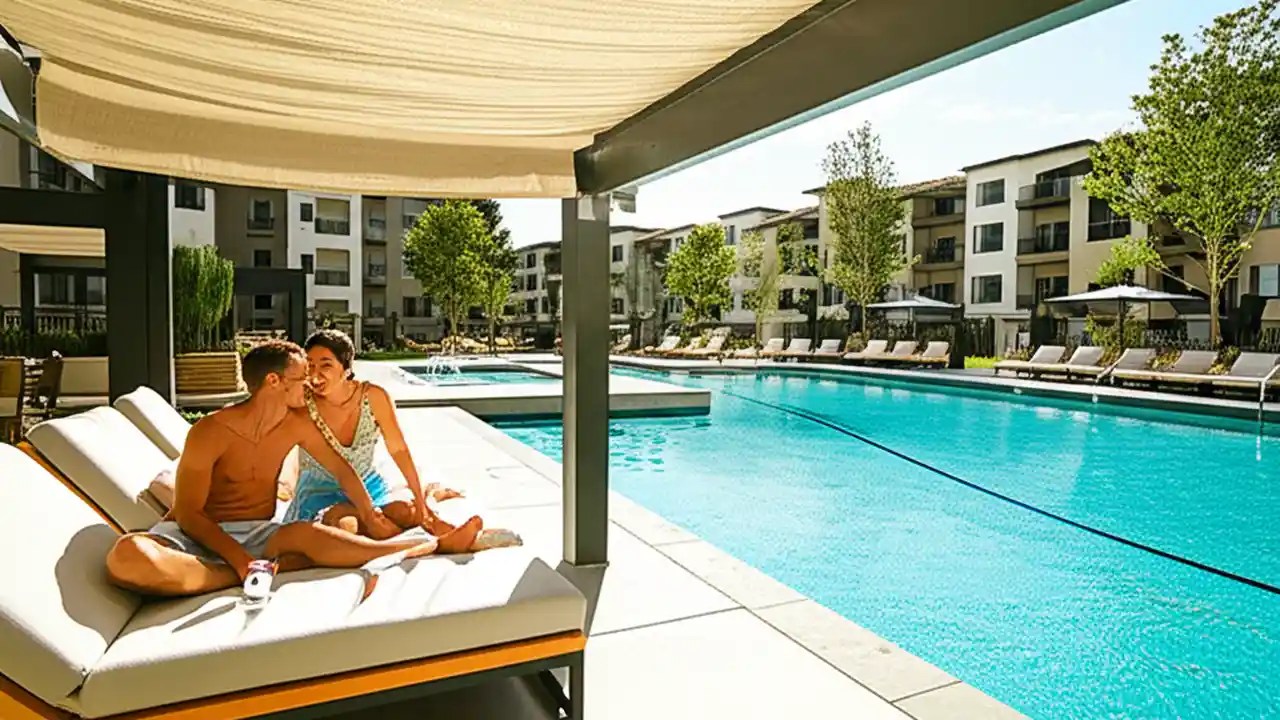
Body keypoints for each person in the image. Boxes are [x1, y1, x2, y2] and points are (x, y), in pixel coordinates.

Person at [104, 340, 440, 597]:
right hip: (198, 535)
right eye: (302, 377)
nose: (311, 383)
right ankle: (238, 574)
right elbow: (189, 514)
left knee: (310, 534)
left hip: (259, 533)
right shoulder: (210, 431)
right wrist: (239, 562)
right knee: (128, 556)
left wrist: (369, 514)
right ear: (274, 381)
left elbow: (342, 470)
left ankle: (399, 548)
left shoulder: (298, 424)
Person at [284, 329, 484, 553]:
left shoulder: (373, 397)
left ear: (346, 368)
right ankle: (432, 545)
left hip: (370, 487)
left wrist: (421, 503)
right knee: (344, 525)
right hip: (320, 493)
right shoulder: (302, 401)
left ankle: (440, 532)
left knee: (406, 510)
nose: (315, 374)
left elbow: (399, 450)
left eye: (326, 365)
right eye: (310, 365)